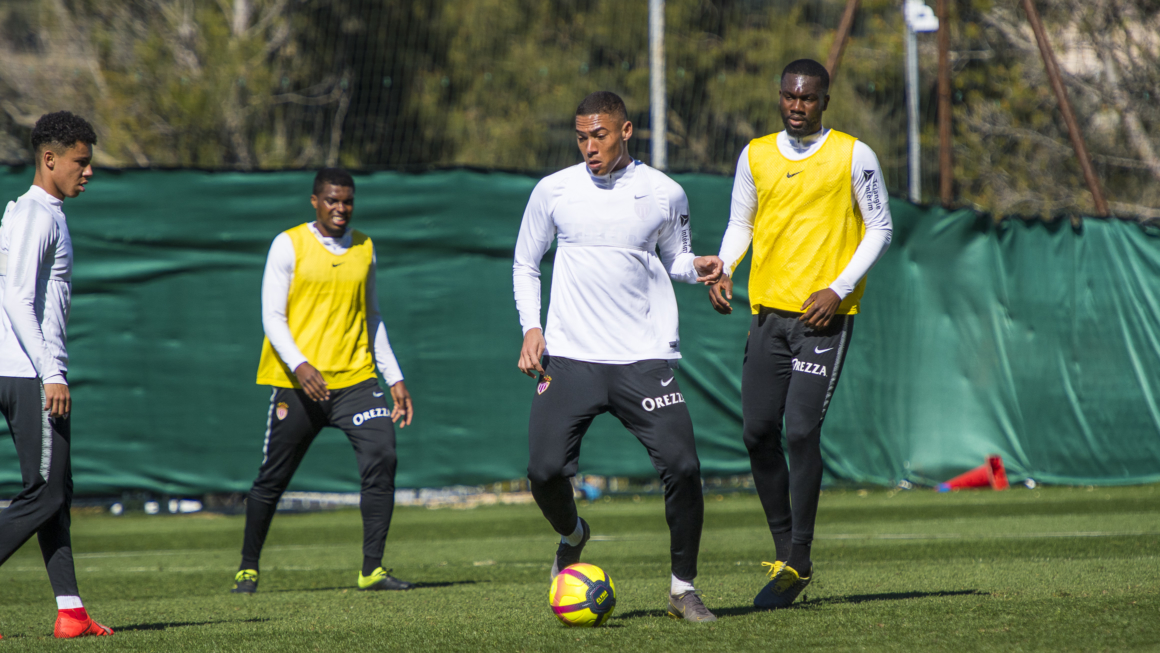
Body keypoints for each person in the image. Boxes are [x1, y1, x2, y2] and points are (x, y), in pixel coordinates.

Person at [513, 91, 724, 622]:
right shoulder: (553, 190)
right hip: (569, 357)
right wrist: (531, 328)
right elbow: (525, 263)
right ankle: (573, 533)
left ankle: (682, 590)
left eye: (599, 135)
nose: (589, 147)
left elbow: (675, 258)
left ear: (626, 131)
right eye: (581, 137)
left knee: (683, 466)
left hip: (643, 358)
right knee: (542, 472)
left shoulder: (664, 193)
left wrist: (698, 268)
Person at [709, 59, 893, 609]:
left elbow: (880, 227)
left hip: (824, 321)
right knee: (757, 432)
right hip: (768, 318)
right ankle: (787, 553)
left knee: (799, 432)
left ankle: (799, 557)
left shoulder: (854, 155)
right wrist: (725, 267)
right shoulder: (755, 154)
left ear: (824, 101)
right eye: (789, 96)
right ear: (780, 96)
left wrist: (838, 288)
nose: (796, 105)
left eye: (808, 97)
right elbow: (742, 222)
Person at [232, 168, 415, 594]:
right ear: (315, 201)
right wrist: (299, 365)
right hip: (299, 386)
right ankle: (247, 566)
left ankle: (372, 569)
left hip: (356, 381)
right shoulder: (288, 244)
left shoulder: (365, 247)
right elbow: (272, 317)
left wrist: (394, 376)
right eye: (332, 200)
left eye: (347, 201)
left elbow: (373, 316)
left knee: (382, 456)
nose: (340, 208)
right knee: (272, 478)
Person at [0, 111, 113, 638]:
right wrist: (51, 374)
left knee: (55, 495)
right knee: (44, 494)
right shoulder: (38, 215)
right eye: (80, 162)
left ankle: (71, 612)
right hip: (28, 373)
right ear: (50, 159)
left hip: (25, 368)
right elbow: (18, 298)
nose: (88, 172)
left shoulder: (37, 211)